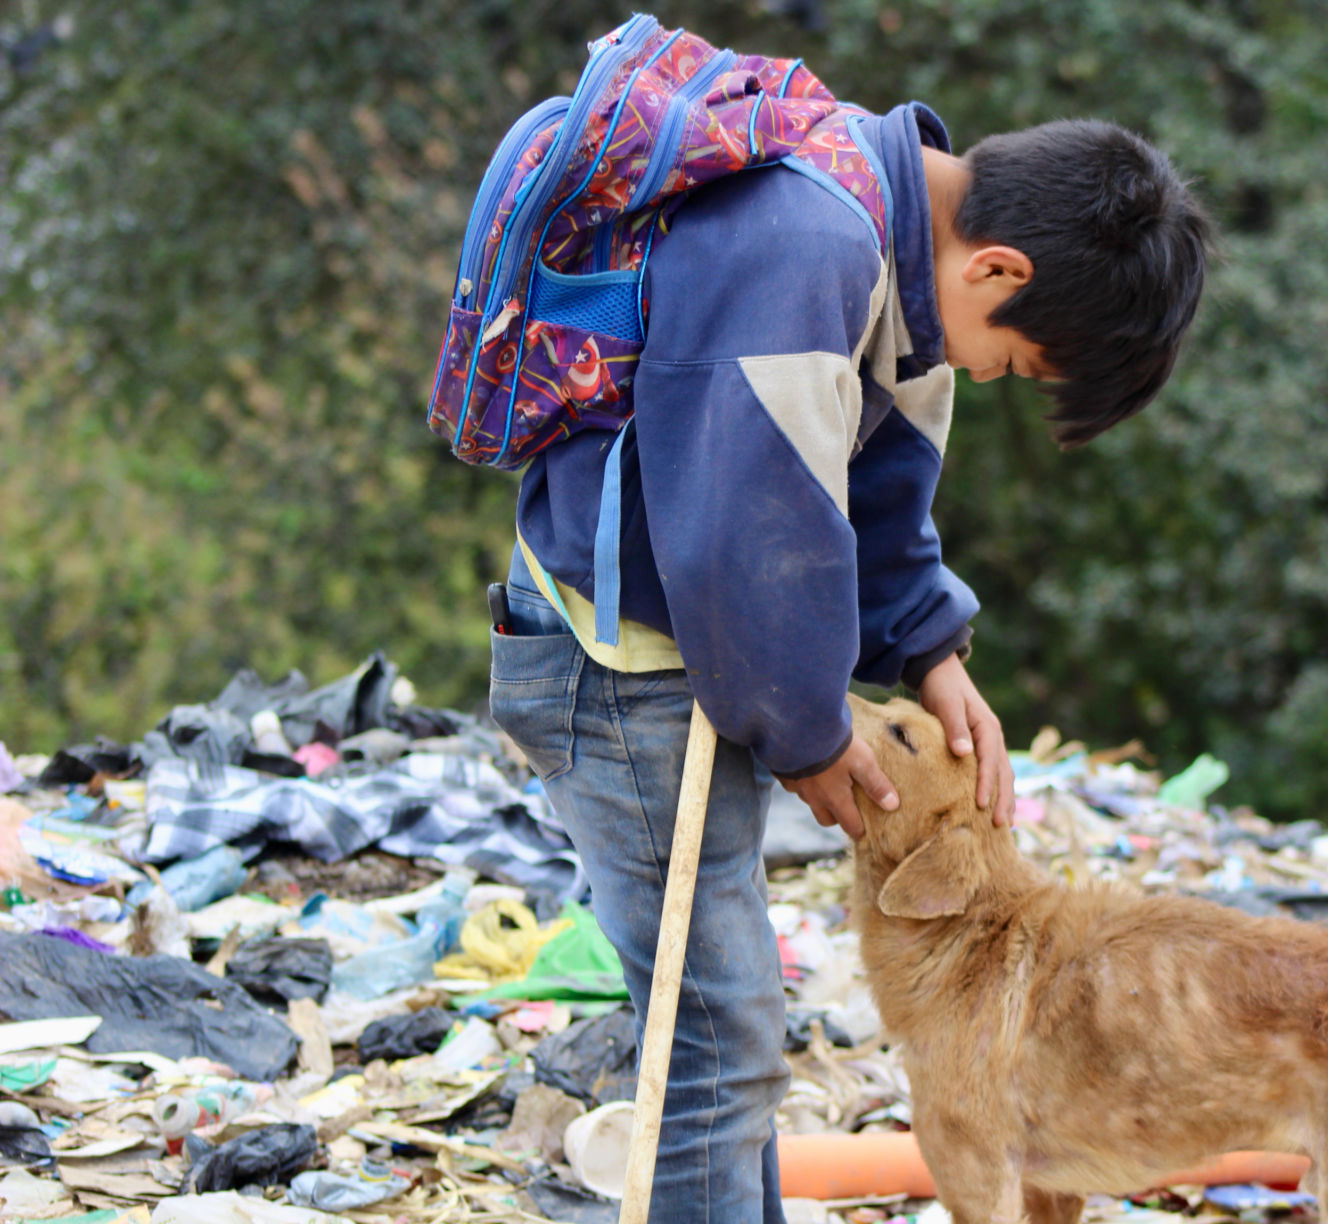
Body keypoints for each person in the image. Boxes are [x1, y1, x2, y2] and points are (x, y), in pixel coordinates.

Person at [487, 86, 1209, 1223]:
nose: (982, 377)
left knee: (729, 1035)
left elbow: (878, 497)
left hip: (699, 653)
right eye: (1013, 364)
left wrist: (932, 654)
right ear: (1002, 272)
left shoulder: (910, 259)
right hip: (617, 660)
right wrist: (811, 736)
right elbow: (741, 532)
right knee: (715, 1035)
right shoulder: (806, 249)